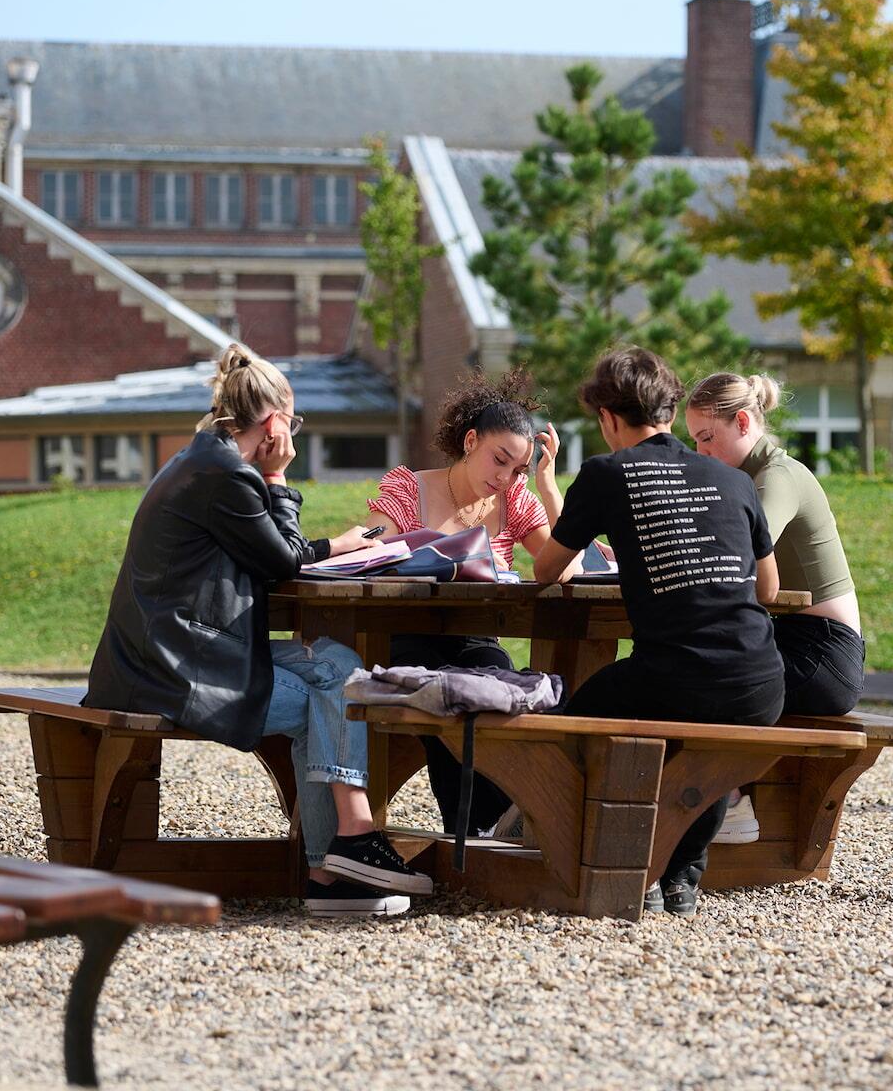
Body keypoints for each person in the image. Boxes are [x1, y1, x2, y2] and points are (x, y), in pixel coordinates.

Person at [85, 343, 435, 917]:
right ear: (274, 423)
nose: (293, 432)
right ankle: (340, 856)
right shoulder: (227, 474)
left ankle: (338, 860)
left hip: (170, 650)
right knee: (337, 695)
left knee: (339, 665)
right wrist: (279, 477)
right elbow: (283, 561)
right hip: (173, 669)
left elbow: (272, 554)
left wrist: (308, 528)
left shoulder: (207, 460)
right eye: (292, 422)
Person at [533, 348, 785, 916]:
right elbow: (767, 591)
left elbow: (546, 570)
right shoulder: (734, 479)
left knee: (570, 725)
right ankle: (680, 874)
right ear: (670, 411)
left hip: (677, 675)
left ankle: (611, 860)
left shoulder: (604, 473)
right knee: (704, 742)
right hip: (759, 680)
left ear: (608, 418)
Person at [364, 369, 562, 834]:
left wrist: (548, 488)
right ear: (471, 440)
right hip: (407, 629)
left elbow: (565, 564)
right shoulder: (409, 488)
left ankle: (484, 827)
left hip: (475, 633)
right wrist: (369, 543)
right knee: (439, 693)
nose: (506, 476)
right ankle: (488, 826)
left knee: (499, 688)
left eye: (518, 469)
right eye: (500, 460)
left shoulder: (516, 501)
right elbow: (375, 545)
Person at [685, 372, 863, 843]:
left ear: (743, 421)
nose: (701, 452)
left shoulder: (776, 477)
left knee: (701, 673)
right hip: (793, 642)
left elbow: (735, 554)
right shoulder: (749, 478)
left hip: (824, 655)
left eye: (707, 438)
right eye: (695, 440)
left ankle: (731, 802)